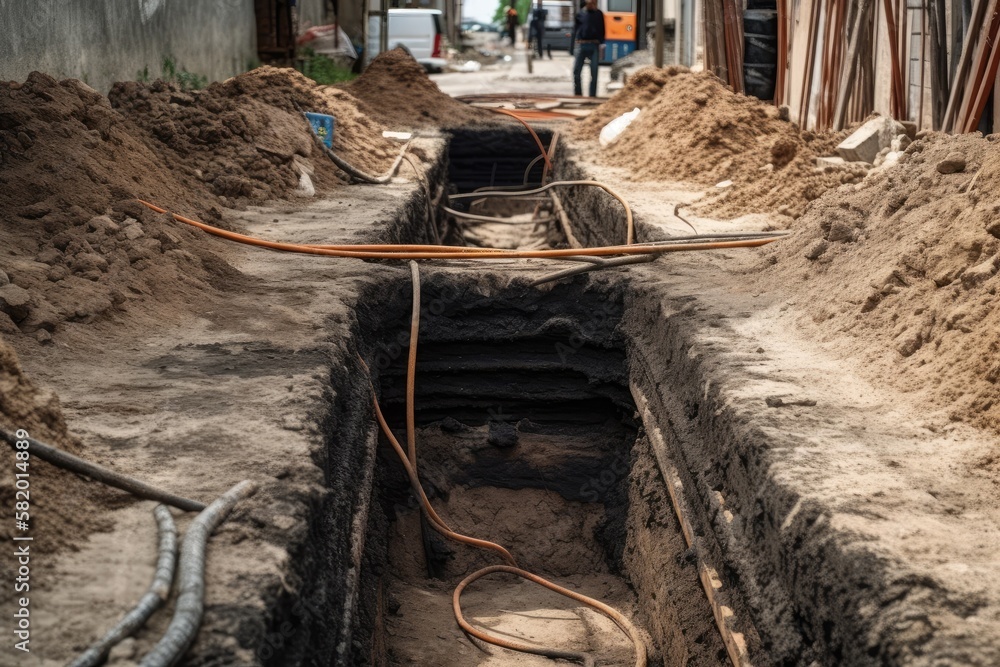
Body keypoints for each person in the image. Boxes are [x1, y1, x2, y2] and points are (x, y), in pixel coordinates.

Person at [572, 0, 604, 97]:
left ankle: (592, 96)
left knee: (594, 73)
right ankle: (578, 95)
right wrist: (572, 47)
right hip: (581, 45)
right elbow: (575, 30)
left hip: (594, 45)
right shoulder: (580, 14)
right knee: (576, 72)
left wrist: (601, 44)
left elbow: (602, 30)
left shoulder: (598, 14)